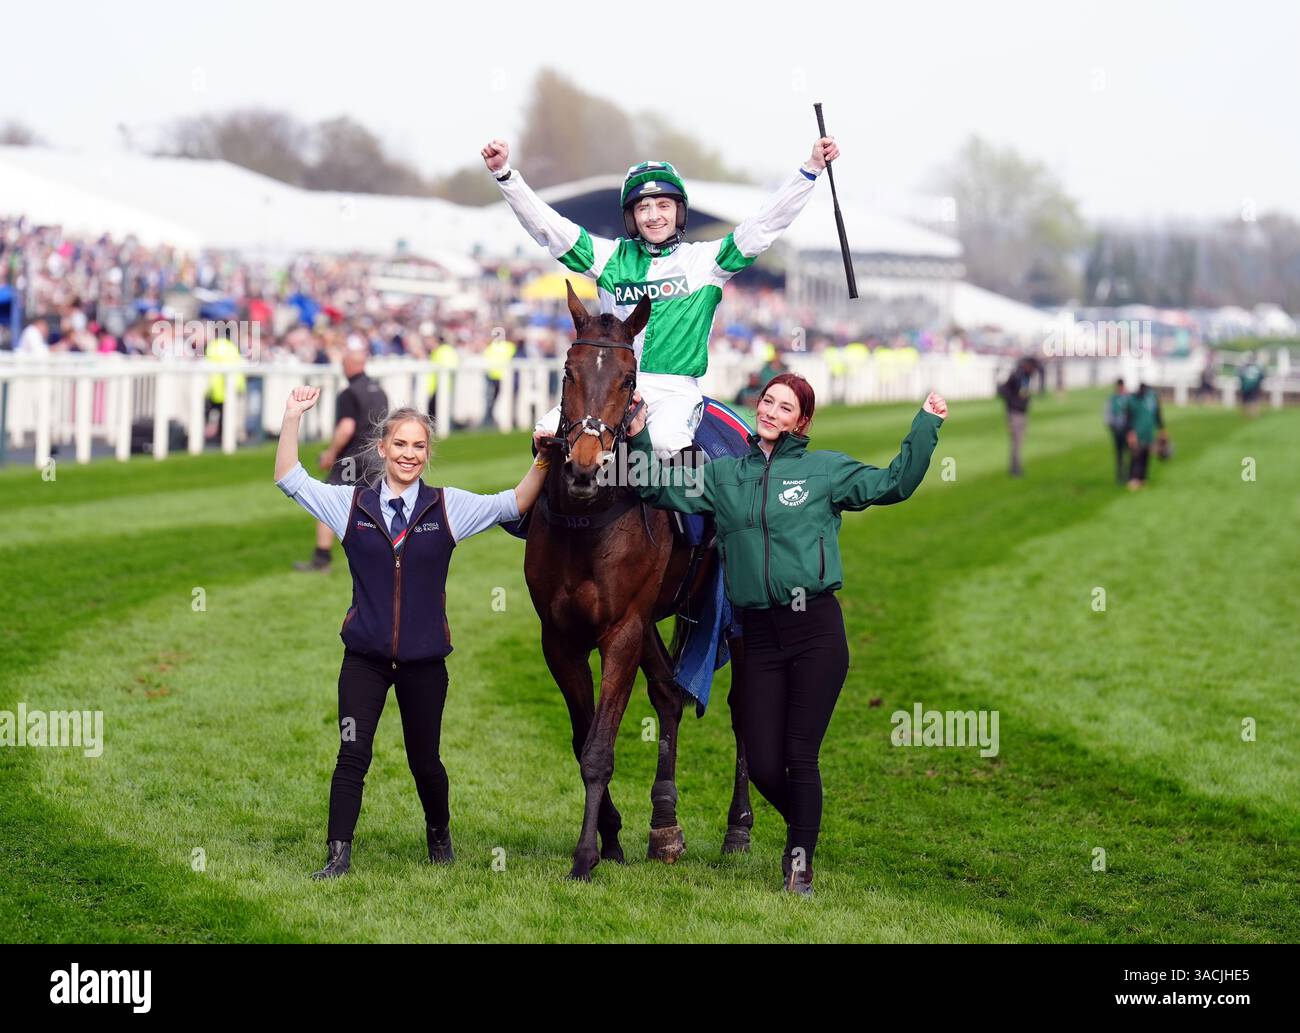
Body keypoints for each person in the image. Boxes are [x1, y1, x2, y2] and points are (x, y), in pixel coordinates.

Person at [623, 372, 947, 895]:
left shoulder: (824, 470)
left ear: (803, 420)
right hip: (758, 636)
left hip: (815, 631)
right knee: (764, 761)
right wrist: (638, 432)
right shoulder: (725, 476)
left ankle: (799, 864)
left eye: (785, 406)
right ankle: (807, 825)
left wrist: (925, 425)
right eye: (767, 401)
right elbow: (654, 486)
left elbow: (894, 483)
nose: (771, 411)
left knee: (799, 755)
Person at [274, 388, 549, 879]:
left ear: (427, 453)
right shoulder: (350, 506)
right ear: (382, 448)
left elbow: (514, 503)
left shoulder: (448, 507)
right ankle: (338, 856)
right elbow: (289, 479)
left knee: (426, 761)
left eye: (418, 446)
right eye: (400, 444)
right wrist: (292, 416)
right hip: (365, 659)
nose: (408, 454)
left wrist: (545, 460)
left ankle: (439, 837)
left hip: (424, 663)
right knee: (352, 753)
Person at [482, 135, 840, 461]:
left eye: (663, 206)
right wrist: (506, 176)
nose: (654, 216)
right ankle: (527, 519)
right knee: (545, 434)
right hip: (610, 386)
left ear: (678, 211)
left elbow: (765, 225)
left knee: (666, 445)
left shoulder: (706, 262)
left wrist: (809, 170)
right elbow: (549, 228)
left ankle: (696, 535)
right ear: (632, 216)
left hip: (673, 391)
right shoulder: (609, 259)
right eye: (643, 208)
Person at [294, 345, 389, 573]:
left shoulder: (349, 393)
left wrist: (330, 454)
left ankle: (321, 559)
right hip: (377, 455)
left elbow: (346, 428)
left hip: (353, 458)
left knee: (327, 501)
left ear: (349, 366)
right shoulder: (380, 390)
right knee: (375, 506)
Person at [998, 356, 1040, 477]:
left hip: (1022, 411)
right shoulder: (1017, 375)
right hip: (1015, 412)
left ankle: (1016, 467)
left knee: (1019, 441)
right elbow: (1002, 390)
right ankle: (1015, 469)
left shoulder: (1026, 376)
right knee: (1016, 441)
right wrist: (1014, 402)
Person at [1125, 382, 1166, 491]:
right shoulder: (1132, 400)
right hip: (1137, 433)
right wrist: (1130, 432)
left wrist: (1161, 429)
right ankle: (1133, 479)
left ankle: (1142, 479)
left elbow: (1157, 415)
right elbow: (1128, 418)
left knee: (1146, 456)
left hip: (1148, 433)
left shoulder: (1152, 399)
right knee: (1136, 456)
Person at [1104, 379, 1130, 484]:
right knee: (1119, 453)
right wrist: (1111, 425)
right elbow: (1107, 414)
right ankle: (1120, 475)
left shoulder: (1128, 398)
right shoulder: (1112, 399)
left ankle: (1128, 474)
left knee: (1128, 453)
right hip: (1117, 430)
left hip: (1127, 430)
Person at [1238, 353, 1266, 417]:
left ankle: (1245, 414)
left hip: (1245, 386)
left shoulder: (1244, 367)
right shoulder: (1258, 367)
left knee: (1245, 401)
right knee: (1255, 400)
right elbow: (1262, 377)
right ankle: (1254, 413)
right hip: (1255, 386)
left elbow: (1240, 376)